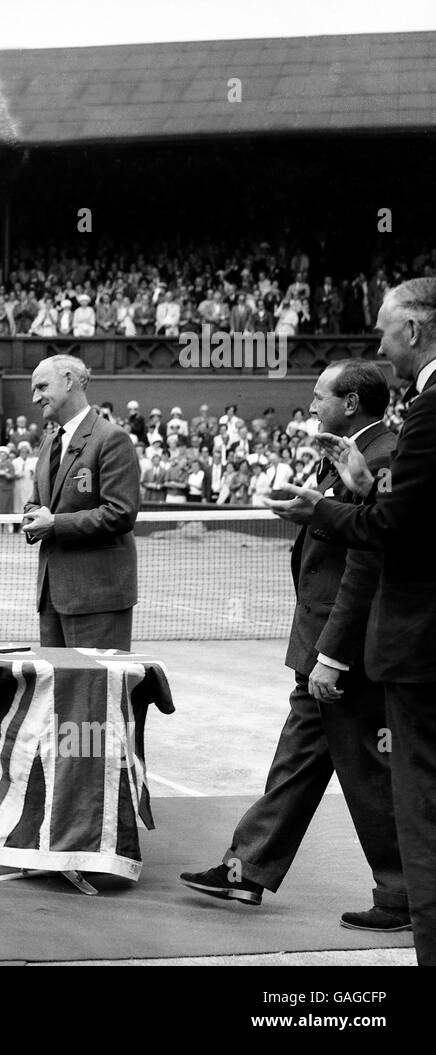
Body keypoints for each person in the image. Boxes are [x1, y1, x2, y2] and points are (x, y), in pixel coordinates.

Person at [182, 360, 407, 933]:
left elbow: (367, 561)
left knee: (370, 774)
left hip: (345, 646)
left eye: (318, 396)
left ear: (351, 402)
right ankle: (246, 869)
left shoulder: (381, 456)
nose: (310, 405)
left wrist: (332, 653)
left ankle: (405, 894)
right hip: (323, 641)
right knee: (298, 763)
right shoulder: (349, 451)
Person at [270, 277, 436, 965]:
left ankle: (412, 916)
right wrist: (364, 494)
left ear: (416, 332)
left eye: (385, 329)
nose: (380, 343)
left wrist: (322, 508)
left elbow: (394, 534)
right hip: (381, 642)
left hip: (413, 644)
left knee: (417, 808)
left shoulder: (422, 415)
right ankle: (251, 864)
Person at [22, 355, 139, 650]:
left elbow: (120, 513)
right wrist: (33, 518)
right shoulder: (49, 442)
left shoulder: (112, 439)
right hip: (52, 597)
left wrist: (55, 524)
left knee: (97, 692)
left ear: (70, 381)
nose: (35, 398)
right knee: (57, 691)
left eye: (42, 387)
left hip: (97, 598)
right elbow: (37, 502)